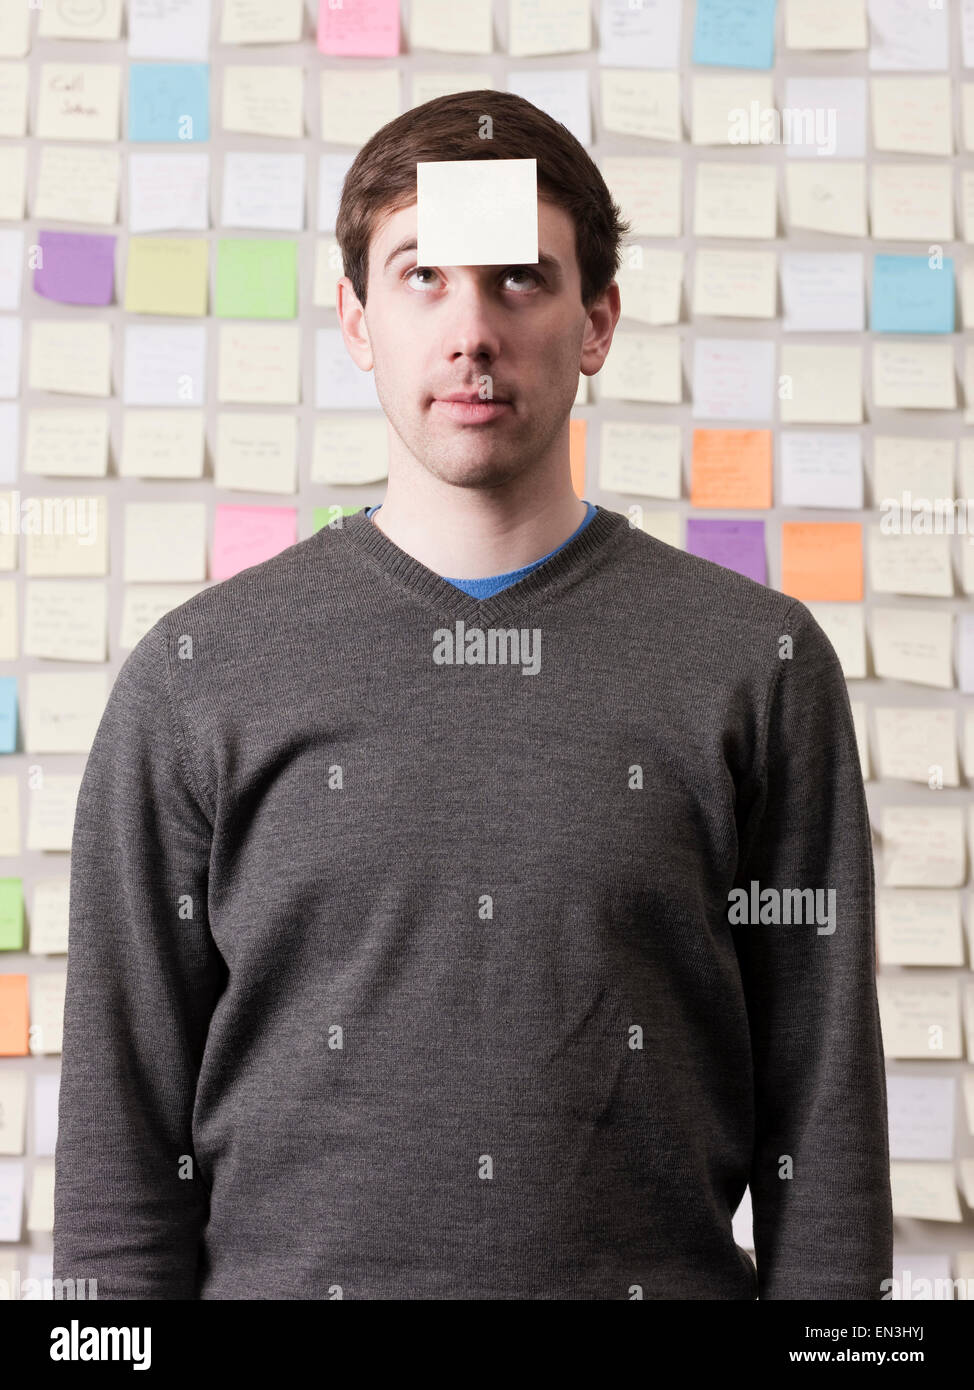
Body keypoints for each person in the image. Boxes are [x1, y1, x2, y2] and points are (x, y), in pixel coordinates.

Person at [53, 90, 893, 1300]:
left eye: (518, 279)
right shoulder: (196, 676)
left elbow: (824, 1132)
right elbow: (118, 1167)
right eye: (421, 276)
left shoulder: (754, 664)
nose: (470, 331)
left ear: (596, 319)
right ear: (354, 318)